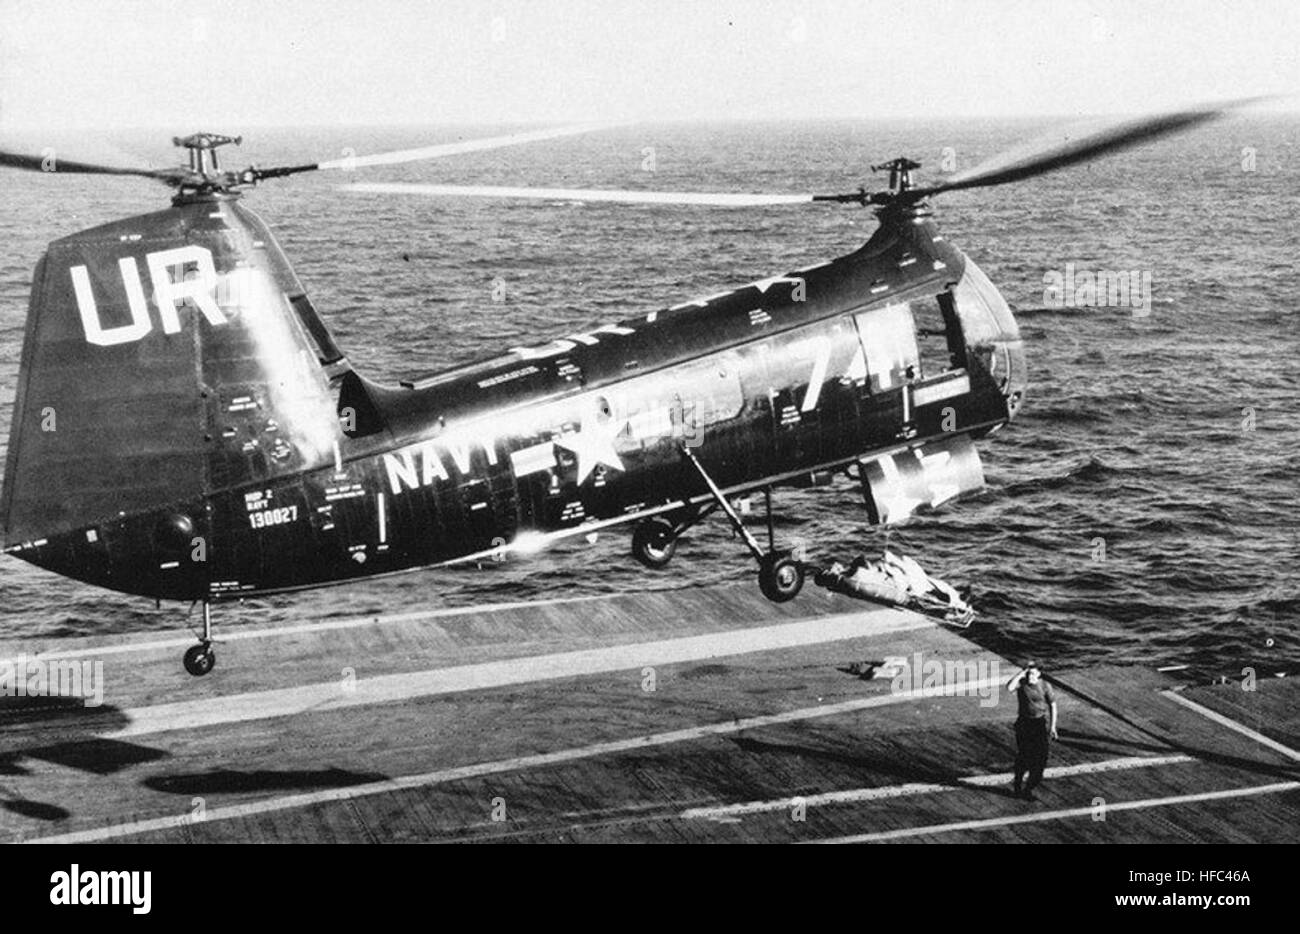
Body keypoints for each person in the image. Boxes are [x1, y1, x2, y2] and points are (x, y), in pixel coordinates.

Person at [1007, 662, 1058, 800]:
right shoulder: (1022, 683)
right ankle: (1018, 784)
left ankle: (1028, 788)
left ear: (1039, 674)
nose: (1030, 676)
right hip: (1024, 723)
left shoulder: (1045, 686)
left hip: (1039, 724)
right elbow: (1009, 687)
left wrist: (1052, 726)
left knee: (1041, 760)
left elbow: (1053, 705)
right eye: (1029, 674)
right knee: (1024, 755)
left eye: (1033, 673)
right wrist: (1020, 674)